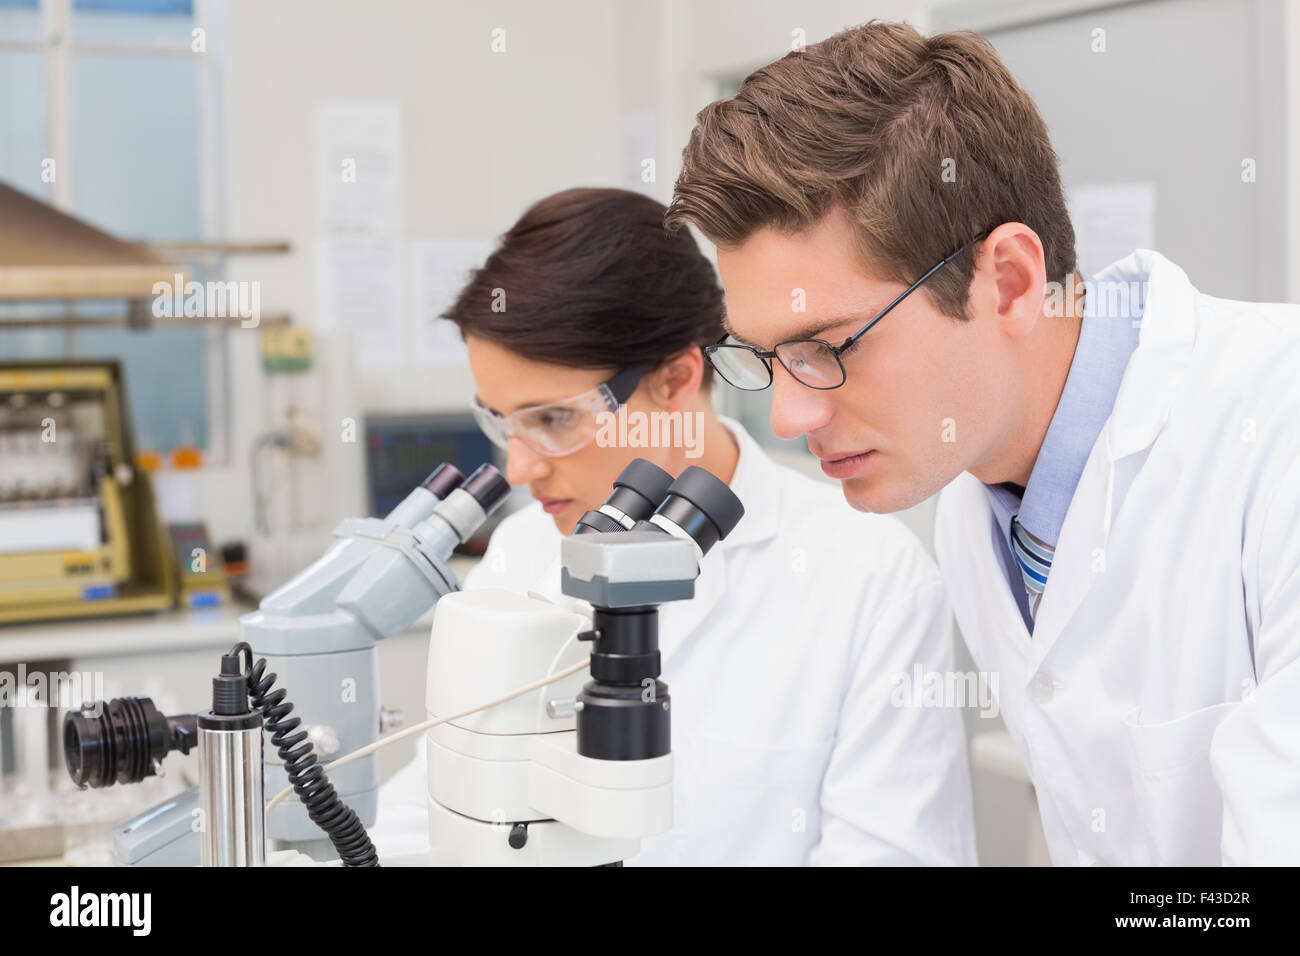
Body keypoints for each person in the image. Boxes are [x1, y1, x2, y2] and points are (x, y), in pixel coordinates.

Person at [666, 20, 1300, 865]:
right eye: (764, 357)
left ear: (1009, 282)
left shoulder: (1274, 438)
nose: (788, 416)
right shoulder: (978, 498)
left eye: (827, 346)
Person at [369, 187, 976, 865]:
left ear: (677, 378)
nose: (518, 469)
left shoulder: (869, 578)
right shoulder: (523, 552)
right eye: (501, 421)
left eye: (554, 419)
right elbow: (431, 809)